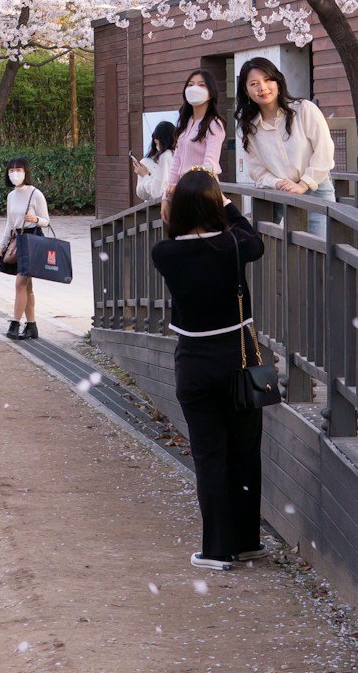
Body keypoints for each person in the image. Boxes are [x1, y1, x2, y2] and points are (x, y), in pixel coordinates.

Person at [150, 169, 268, 571]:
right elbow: (254, 239)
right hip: (239, 359)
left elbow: (172, 229)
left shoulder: (165, 255)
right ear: (215, 206)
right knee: (245, 453)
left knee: (210, 456)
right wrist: (228, 204)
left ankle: (218, 550)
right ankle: (248, 541)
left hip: (196, 363)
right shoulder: (234, 245)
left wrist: (172, 204)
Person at [236, 57, 336, 236]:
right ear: (246, 90)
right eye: (254, 83)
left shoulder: (304, 109)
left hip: (316, 190)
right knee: (284, 255)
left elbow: (324, 151)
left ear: (278, 81)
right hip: (280, 195)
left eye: (268, 80)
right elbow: (258, 173)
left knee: (320, 253)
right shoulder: (249, 128)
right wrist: (280, 184)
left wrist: (304, 184)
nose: (263, 88)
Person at [1, 158, 50, 341]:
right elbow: (9, 223)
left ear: (25, 171)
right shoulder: (11, 196)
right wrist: (2, 246)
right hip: (17, 240)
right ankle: (32, 326)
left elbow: (46, 220)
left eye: (19, 170)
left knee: (20, 283)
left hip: (33, 239)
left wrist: (35, 219)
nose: (15, 173)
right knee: (27, 287)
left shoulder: (35, 194)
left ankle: (15, 323)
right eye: (11, 170)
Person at [164, 69, 226, 207]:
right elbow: (176, 164)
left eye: (201, 85)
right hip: (184, 193)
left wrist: (182, 185)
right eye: (190, 84)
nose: (194, 88)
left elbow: (209, 165)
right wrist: (165, 198)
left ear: (210, 93)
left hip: (204, 192)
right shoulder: (186, 124)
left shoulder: (214, 124)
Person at [134, 121, 179, 203]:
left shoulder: (168, 156)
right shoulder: (146, 162)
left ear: (156, 140)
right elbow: (141, 193)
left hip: (159, 207)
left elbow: (157, 192)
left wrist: (145, 176)